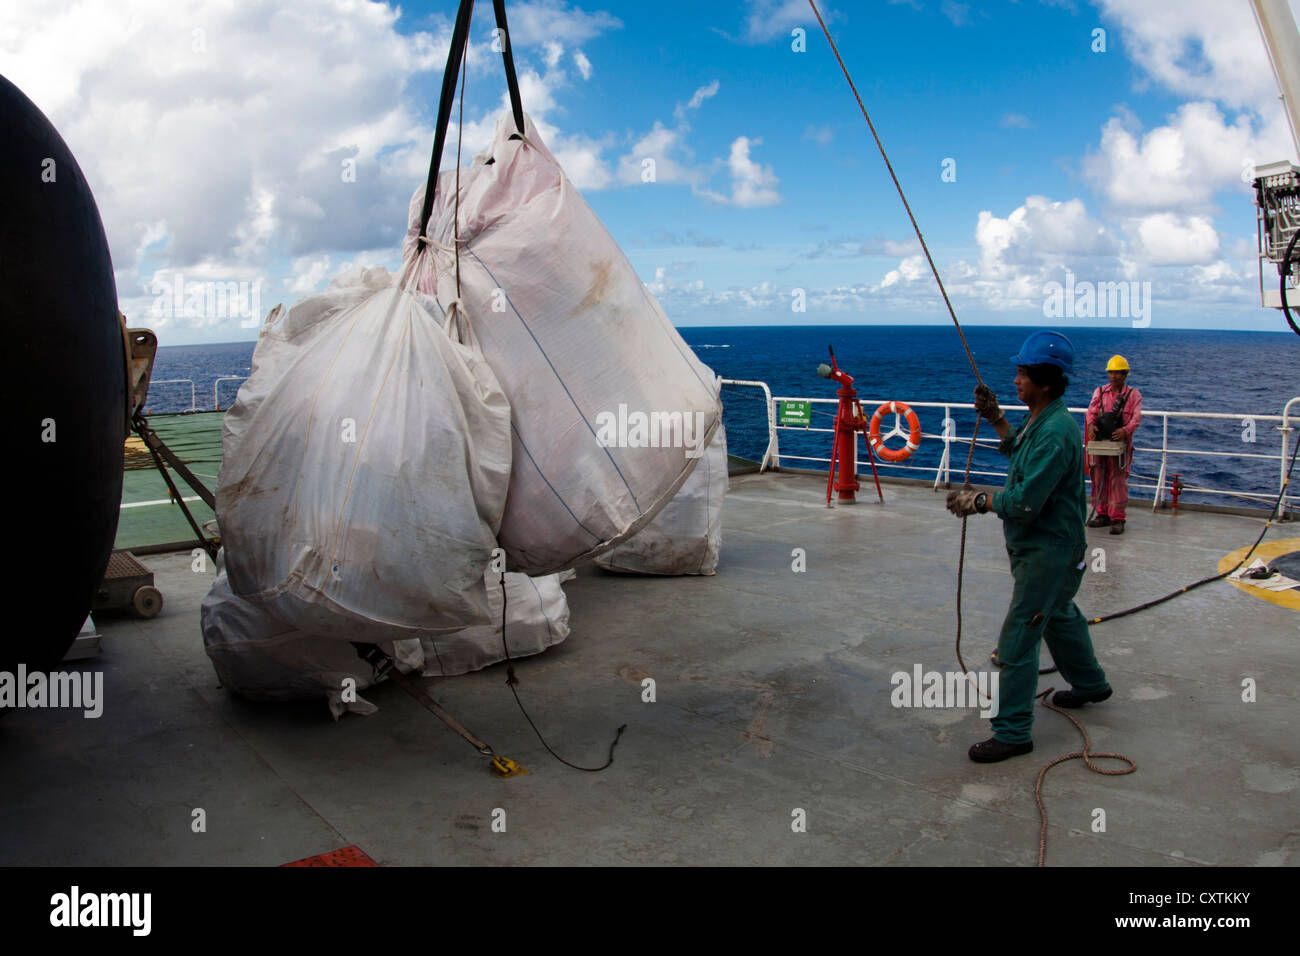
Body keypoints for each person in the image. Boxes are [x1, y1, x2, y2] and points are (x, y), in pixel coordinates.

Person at [945, 330, 1112, 763]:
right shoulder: (1045, 420)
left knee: (1020, 636)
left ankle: (1013, 732)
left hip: (1049, 553)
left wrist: (978, 500)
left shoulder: (1056, 432)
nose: (1016, 380)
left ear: (1047, 382)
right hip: (1048, 550)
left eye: (1023, 374)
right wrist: (998, 417)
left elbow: (1024, 501)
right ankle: (1091, 684)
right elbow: (1020, 452)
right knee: (1058, 615)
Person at [1084, 355, 1142, 535]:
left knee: (1117, 479)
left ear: (1125, 375)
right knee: (1098, 477)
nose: (1114, 376)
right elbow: (1091, 413)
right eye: (1111, 372)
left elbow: (1136, 418)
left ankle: (1117, 518)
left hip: (1120, 445)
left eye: (1118, 373)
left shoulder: (1133, 395)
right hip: (1101, 443)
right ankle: (1102, 514)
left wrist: (1125, 431)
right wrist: (1092, 426)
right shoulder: (1100, 392)